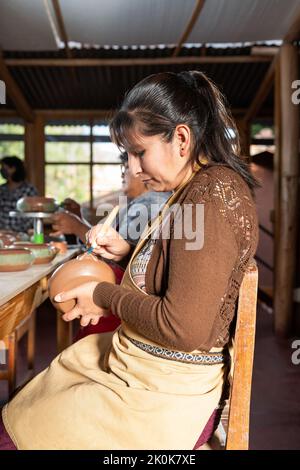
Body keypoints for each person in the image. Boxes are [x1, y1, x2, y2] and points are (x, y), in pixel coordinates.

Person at [1, 71, 259, 450]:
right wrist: (126, 251)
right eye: (128, 156)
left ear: (182, 139)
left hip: (163, 395)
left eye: (140, 152)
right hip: (146, 370)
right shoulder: (193, 191)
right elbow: (183, 266)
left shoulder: (209, 197)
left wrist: (103, 294)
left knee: (15, 432)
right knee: (36, 395)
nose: (134, 169)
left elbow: (183, 327)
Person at [50, 152, 171, 248]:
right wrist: (78, 219)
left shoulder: (151, 204)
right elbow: (100, 236)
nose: (122, 175)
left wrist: (76, 226)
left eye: (126, 168)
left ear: (143, 171)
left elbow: (122, 250)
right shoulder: (134, 203)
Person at [0, 156, 38, 232]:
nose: (2, 170)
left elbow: (33, 215)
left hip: (21, 235)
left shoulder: (29, 190)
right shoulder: (1, 189)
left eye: (5, 168)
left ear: (14, 168)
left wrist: (19, 231)